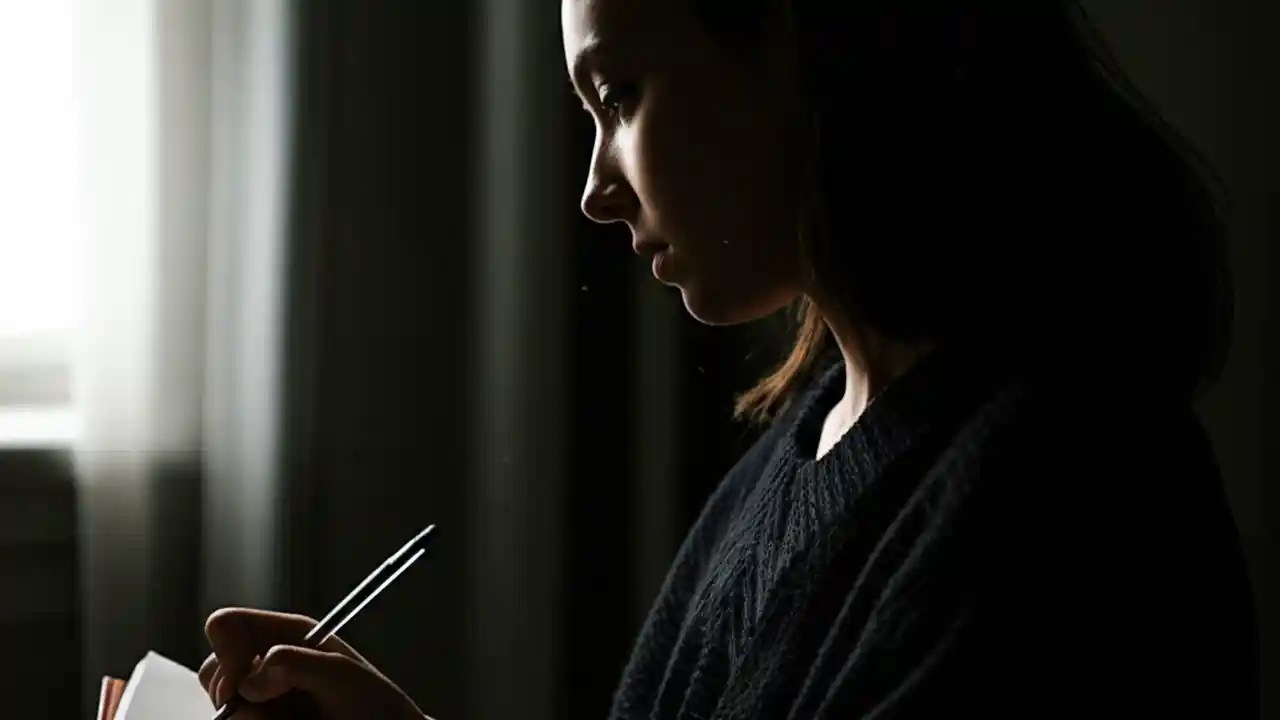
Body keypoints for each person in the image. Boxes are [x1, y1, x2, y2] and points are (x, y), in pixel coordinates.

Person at [199, 0, 1261, 717]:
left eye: (617, 97)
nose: (593, 192)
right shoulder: (791, 463)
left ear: (803, 47)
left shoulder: (1065, 495)